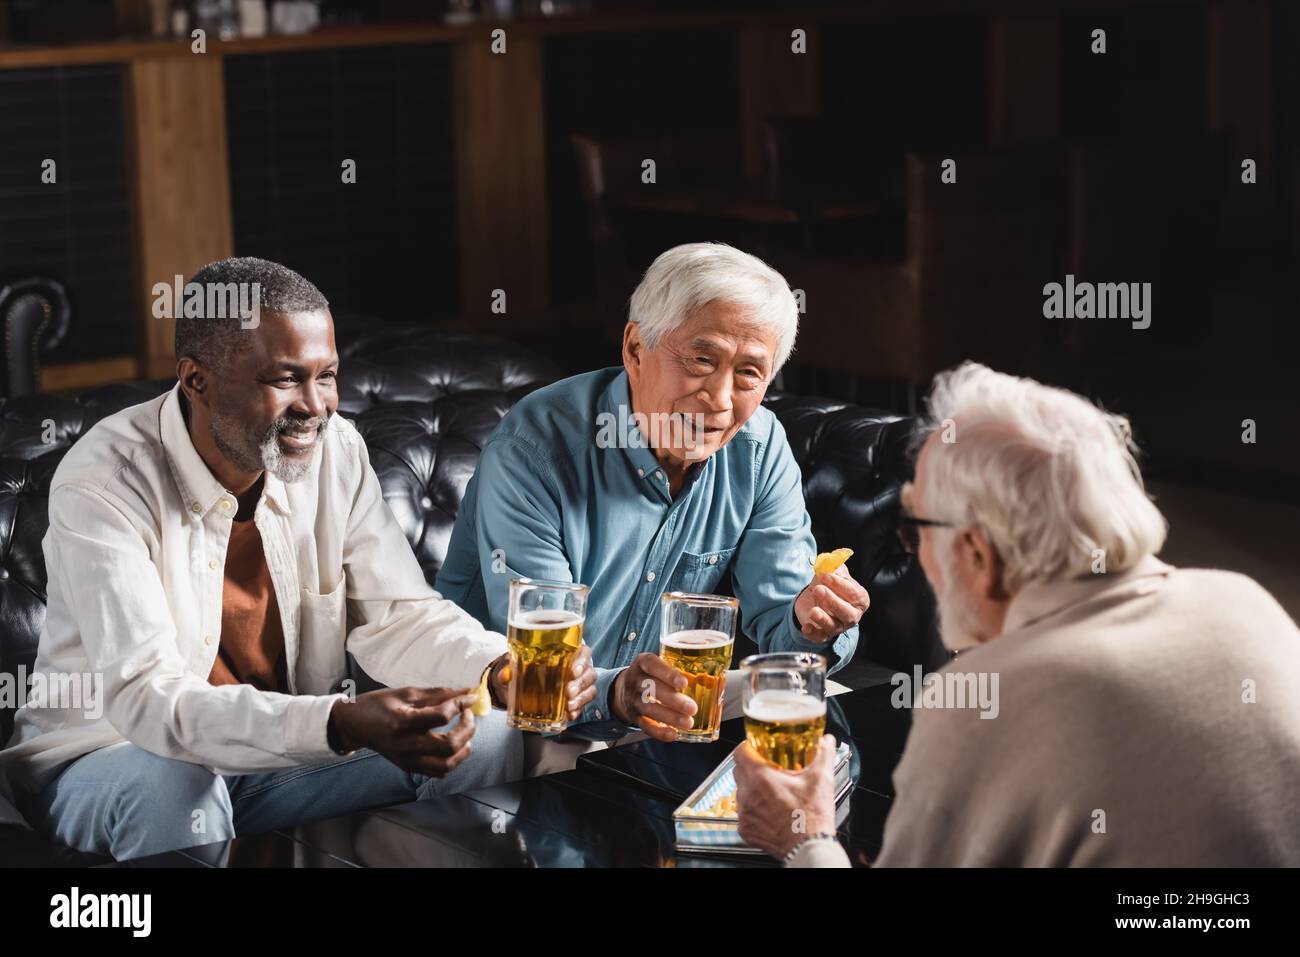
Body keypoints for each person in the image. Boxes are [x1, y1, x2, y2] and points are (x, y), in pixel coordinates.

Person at [0, 257, 594, 861]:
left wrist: (496, 668)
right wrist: (340, 722)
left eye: (327, 376)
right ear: (197, 380)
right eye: (286, 379)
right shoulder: (105, 482)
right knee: (175, 788)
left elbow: (398, 615)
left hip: (278, 758)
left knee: (484, 730)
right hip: (111, 761)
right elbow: (148, 700)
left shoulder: (336, 450)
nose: (317, 406)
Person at [734, 361, 1300, 867]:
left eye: (914, 529)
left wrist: (804, 841)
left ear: (977, 554)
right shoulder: (1245, 599)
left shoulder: (987, 697)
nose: (917, 553)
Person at [437, 243, 870, 742]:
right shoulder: (534, 449)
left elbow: (783, 634)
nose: (720, 399)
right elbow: (543, 670)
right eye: (701, 360)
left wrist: (810, 620)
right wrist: (622, 695)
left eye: (749, 373)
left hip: (647, 711)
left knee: (815, 700)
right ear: (635, 349)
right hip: (505, 717)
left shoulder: (758, 446)